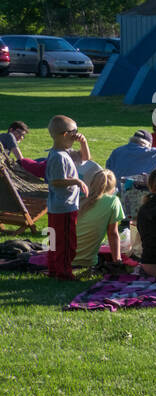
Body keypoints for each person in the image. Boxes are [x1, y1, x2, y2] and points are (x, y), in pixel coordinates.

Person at [43, 116, 89, 281]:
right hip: (64, 206)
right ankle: (64, 273)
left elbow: (85, 158)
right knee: (66, 242)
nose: (77, 135)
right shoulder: (59, 157)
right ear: (64, 135)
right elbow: (55, 181)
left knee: (55, 240)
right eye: (74, 132)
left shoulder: (64, 152)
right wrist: (77, 181)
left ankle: (54, 269)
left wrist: (83, 143)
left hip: (58, 206)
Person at [72, 169, 125, 269]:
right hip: (85, 262)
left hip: (63, 258)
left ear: (92, 183)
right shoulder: (113, 201)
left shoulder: (80, 198)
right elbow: (112, 234)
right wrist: (118, 261)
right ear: (113, 188)